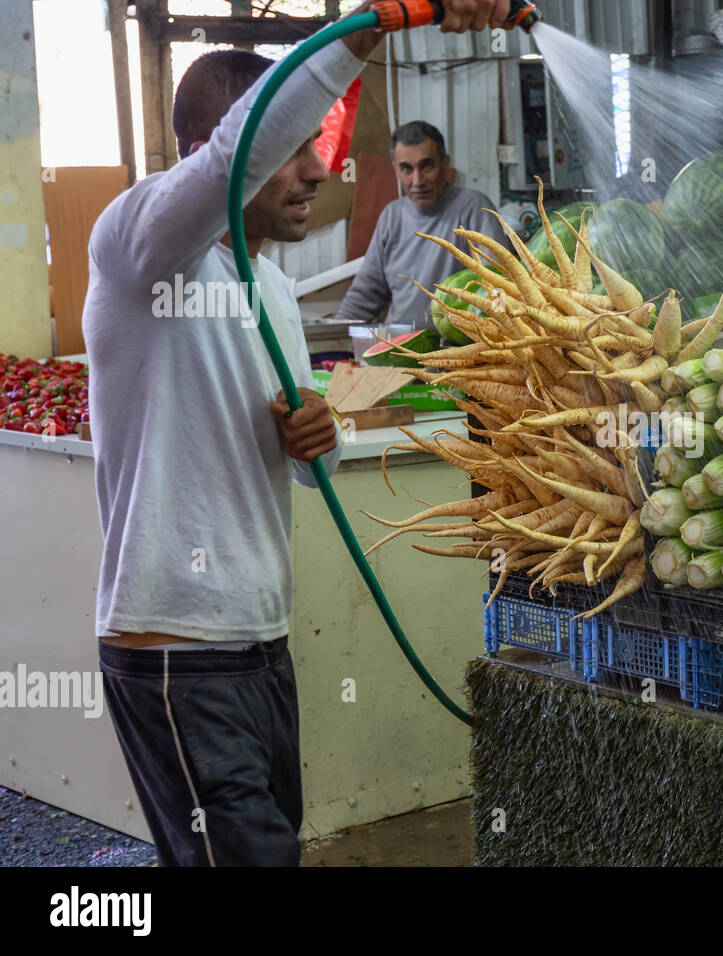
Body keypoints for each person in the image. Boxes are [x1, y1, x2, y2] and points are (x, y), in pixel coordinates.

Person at [83, 0, 512, 868]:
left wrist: (312, 440)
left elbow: (304, 465)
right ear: (226, 151)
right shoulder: (136, 246)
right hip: (174, 644)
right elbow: (233, 154)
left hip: (260, 640)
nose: (320, 169)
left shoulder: (274, 292)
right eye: (296, 149)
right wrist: (375, 21)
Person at [334, 120, 508, 330]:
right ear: (396, 171)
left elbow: (499, 283)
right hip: (397, 348)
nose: (417, 181)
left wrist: (501, 333)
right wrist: (334, 338)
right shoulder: (392, 215)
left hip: (458, 352)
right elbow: (364, 294)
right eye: (406, 169)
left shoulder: (474, 208)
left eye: (427, 166)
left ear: (445, 164)